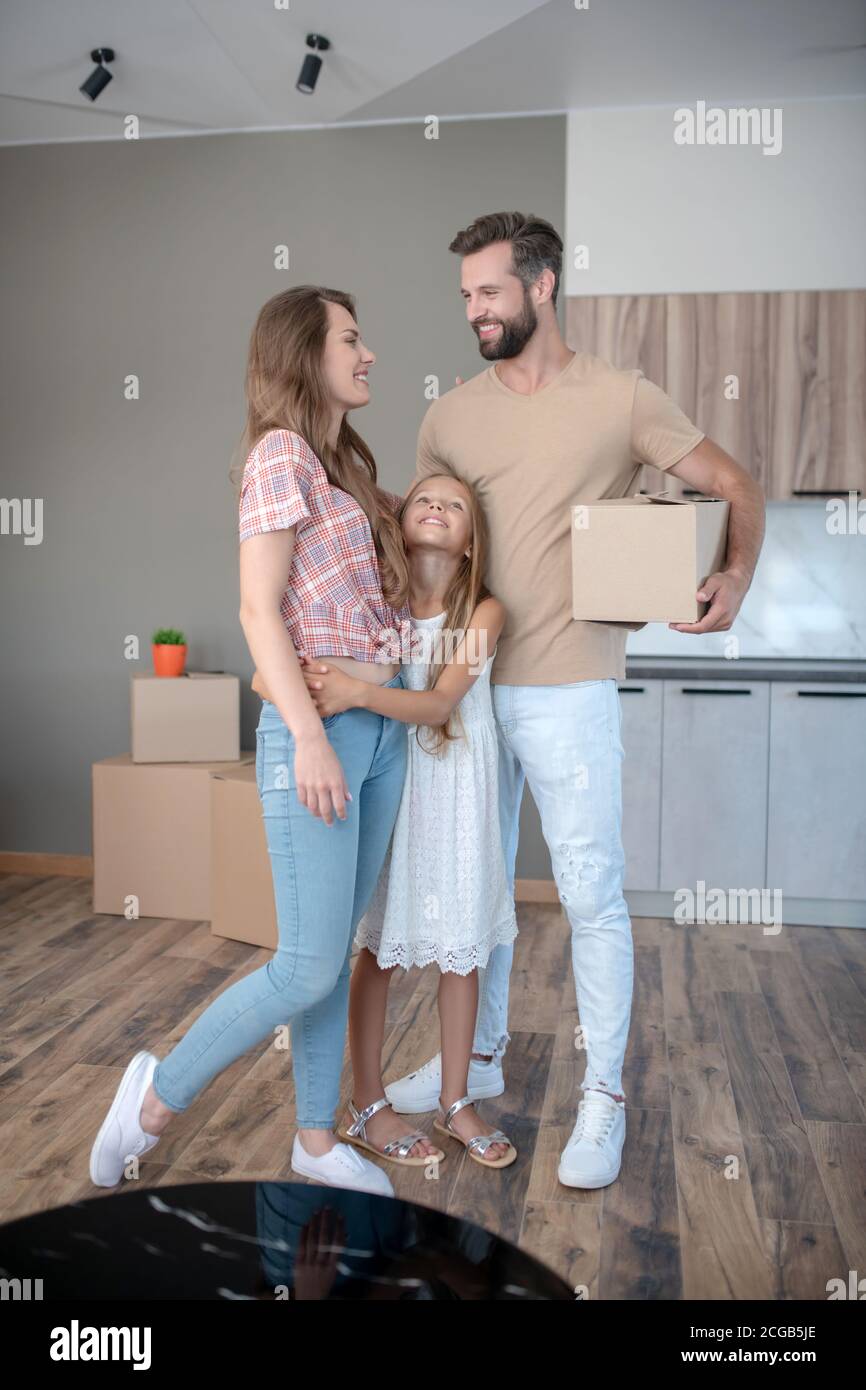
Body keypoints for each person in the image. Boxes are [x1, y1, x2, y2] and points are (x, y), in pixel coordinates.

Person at [385, 212, 766, 1190]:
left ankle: (604, 1090)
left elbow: (731, 481)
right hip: (462, 695)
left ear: (542, 285)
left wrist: (732, 575)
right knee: (473, 891)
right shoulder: (448, 417)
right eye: (465, 294)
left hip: (570, 688)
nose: (472, 310)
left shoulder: (621, 398)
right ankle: (474, 1062)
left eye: (489, 292)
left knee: (589, 893)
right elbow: (428, 545)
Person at [89, 285, 439, 1197]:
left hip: (382, 727)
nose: (368, 356)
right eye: (352, 340)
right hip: (318, 734)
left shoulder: (342, 467)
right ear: (302, 352)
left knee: (327, 953)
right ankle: (154, 1101)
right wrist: (307, 737)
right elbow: (256, 607)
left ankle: (315, 1142)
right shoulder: (279, 455)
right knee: (307, 962)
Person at [300, 468, 519, 1171]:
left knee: (464, 948)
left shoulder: (485, 613)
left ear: (470, 542)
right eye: (425, 497)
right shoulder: (380, 603)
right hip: (394, 785)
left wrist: (355, 692)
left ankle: (456, 1099)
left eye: (455, 505)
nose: (437, 506)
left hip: (458, 794)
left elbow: (437, 706)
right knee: (380, 945)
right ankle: (368, 1100)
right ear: (399, 521)